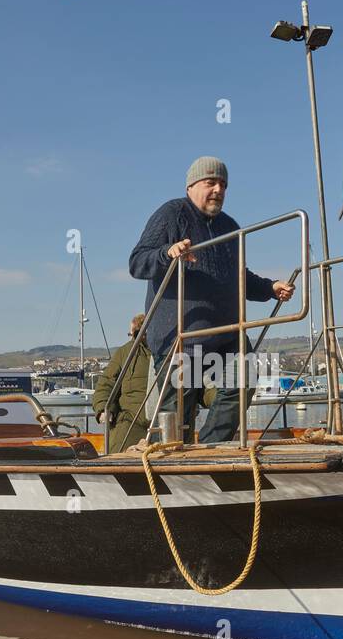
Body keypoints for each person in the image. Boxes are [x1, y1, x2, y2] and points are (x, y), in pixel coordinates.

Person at [128, 156, 294, 443]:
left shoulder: (230, 227)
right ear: (192, 185)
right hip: (182, 334)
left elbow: (237, 276)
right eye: (211, 183)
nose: (218, 190)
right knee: (179, 411)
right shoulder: (171, 213)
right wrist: (168, 253)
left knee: (245, 376)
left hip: (226, 333)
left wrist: (269, 287)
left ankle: (210, 446)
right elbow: (137, 262)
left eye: (223, 185)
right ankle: (164, 463)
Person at [93, 313, 153, 452]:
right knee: (118, 450)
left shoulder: (177, 350)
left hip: (165, 422)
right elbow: (106, 384)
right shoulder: (125, 352)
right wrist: (103, 409)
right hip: (130, 420)